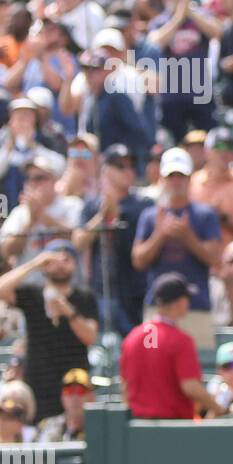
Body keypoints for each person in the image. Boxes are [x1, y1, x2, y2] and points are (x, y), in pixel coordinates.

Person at [0, 242, 98, 424]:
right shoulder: (33, 294)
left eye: (66, 259)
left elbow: (90, 336)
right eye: (54, 260)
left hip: (73, 386)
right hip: (38, 382)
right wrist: (35, 263)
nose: (60, 265)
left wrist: (68, 311)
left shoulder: (84, 297)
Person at [131, 146, 222, 350]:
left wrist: (188, 236)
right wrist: (160, 234)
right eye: (171, 176)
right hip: (157, 307)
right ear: (163, 178)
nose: (176, 181)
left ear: (189, 179)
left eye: (180, 176)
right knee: (152, 363)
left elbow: (215, 259)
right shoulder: (149, 216)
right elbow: (138, 260)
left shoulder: (205, 215)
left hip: (195, 306)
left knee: (198, 365)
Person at [72, 143, 154, 336]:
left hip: (137, 289)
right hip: (102, 289)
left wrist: (118, 215)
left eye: (130, 166)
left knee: (139, 343)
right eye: (120, 166)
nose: (127, 171)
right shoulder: (92, 206)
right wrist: (102, 216)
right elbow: (78, 242)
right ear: (106, 169)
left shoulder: (143, 205)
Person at [120, 273, 223, 419]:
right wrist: (217, 407)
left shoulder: (132, 338)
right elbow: (190, 386)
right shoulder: (181, 340)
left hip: (137, 427)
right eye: (186, 298)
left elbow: (125, 387)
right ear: (179, 302)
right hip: (172, 429)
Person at [37, 366, 90, 441]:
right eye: (68, 391)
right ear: (62, 397)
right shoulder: (46, 427)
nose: (74, 397)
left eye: (80, 391)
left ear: (92, 397)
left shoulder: (100, 428)